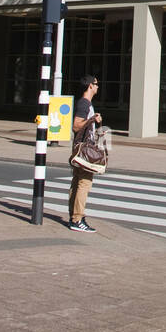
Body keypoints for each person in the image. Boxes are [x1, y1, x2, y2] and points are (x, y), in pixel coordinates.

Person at [69, 76, 102, 232]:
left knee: (77, 182)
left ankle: (74, 217)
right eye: (96, 84)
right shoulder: (84, 103)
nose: (97, 87)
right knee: (84, 183)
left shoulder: (84, 103)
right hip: (83, 149)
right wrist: (91, 120)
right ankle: (78, 218)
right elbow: (76, 126)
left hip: (80, 148)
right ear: (90, 86)